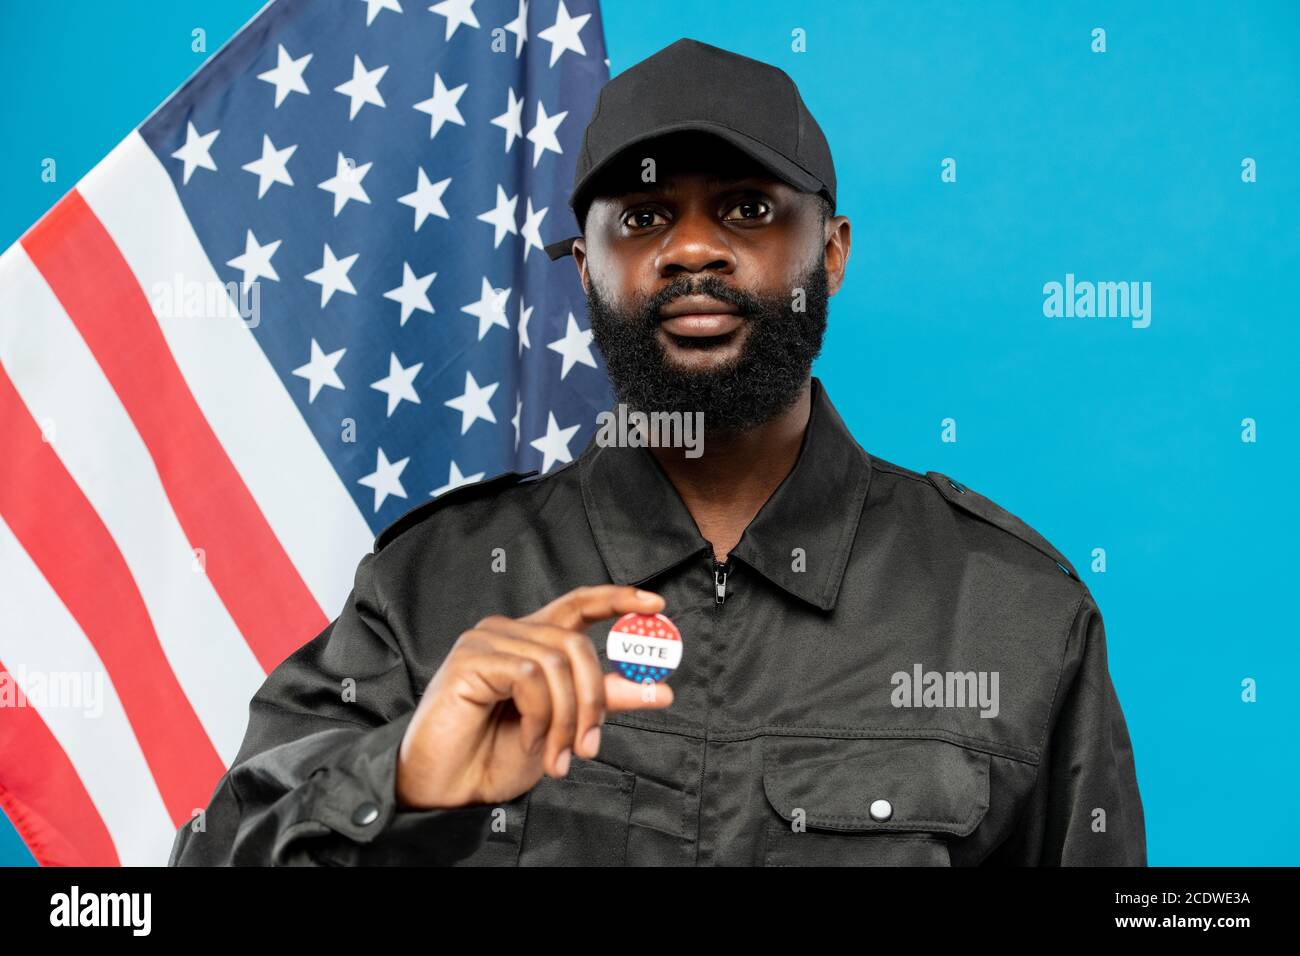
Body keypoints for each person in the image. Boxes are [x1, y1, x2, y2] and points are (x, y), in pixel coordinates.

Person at [170, 37, 1145, 867]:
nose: (689, 250)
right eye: (640, 219)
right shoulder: (428, 589)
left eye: (747, 209)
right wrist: (403, 778)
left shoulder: (1012, 609)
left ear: (833, 251)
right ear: (583, 267)